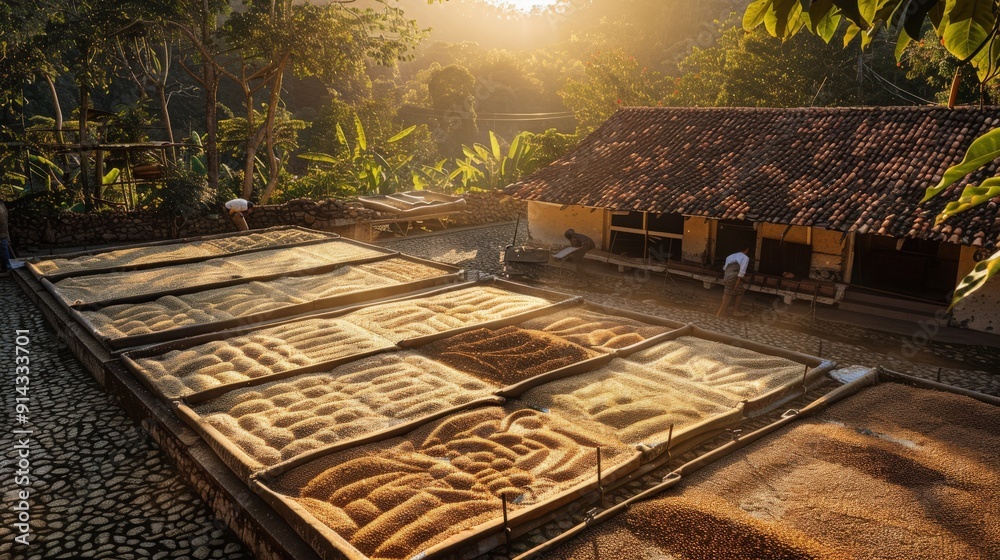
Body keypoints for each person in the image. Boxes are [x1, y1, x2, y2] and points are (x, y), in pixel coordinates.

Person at [717, 246, 751, 317]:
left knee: (739, 291)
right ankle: (720, 313)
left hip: (727, 276)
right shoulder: (745, 257)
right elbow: (742, 271)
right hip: (734, 277)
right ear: (747, 249)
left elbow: (725, 268)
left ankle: (733, 310)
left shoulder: (730, 256)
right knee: (728, 294)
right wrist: (737, 282)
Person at [0, 201, 11, 277]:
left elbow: (2, 222)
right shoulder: (2, 206)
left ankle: (6, 268)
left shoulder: (1, 208)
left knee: (3, 251)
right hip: (3, 233)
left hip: (1, 233)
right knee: (3, 250)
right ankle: (6, 268)